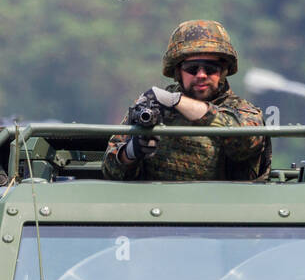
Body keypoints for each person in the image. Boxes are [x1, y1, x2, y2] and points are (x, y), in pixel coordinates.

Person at [103, 20, 271, 182]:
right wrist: (132, 152)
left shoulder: (243, 112)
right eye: (192, 68)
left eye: (210, 68)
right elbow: (110, 171)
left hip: (224, 207)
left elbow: (246, 143)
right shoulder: (153, 108)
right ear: (177, 72)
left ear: (223, 71)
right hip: (159, 205)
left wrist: (176, 101)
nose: (201, 75)